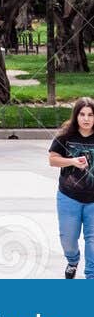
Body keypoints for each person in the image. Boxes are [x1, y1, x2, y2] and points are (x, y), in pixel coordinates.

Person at [49, 96, 94, 277]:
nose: (86, 119)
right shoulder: (66, 137)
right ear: (76, 116)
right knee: (68, 239)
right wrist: (72, 161)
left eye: (91, 115)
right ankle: (72, 260)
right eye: (82, 114)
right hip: (69, 197)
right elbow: (52, 160)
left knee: (92, 241)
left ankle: (90, 275)